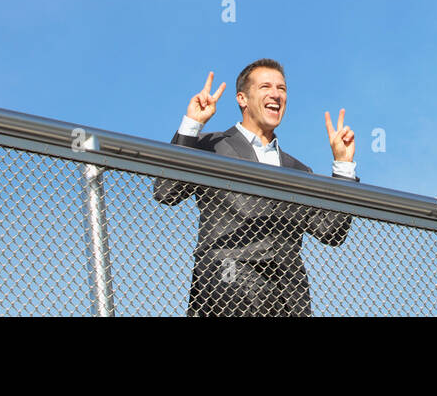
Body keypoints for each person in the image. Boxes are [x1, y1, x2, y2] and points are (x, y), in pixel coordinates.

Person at [153, 59, 358, 316]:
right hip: (228, 283)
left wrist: (343, 167)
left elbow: (332, 232)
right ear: (243, 99)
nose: (276, 94)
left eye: (282, 89)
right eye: (266, 87)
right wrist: (192, 125)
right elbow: (166, 191)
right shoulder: (211, 146)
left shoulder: (299, 171)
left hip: (287, 297)